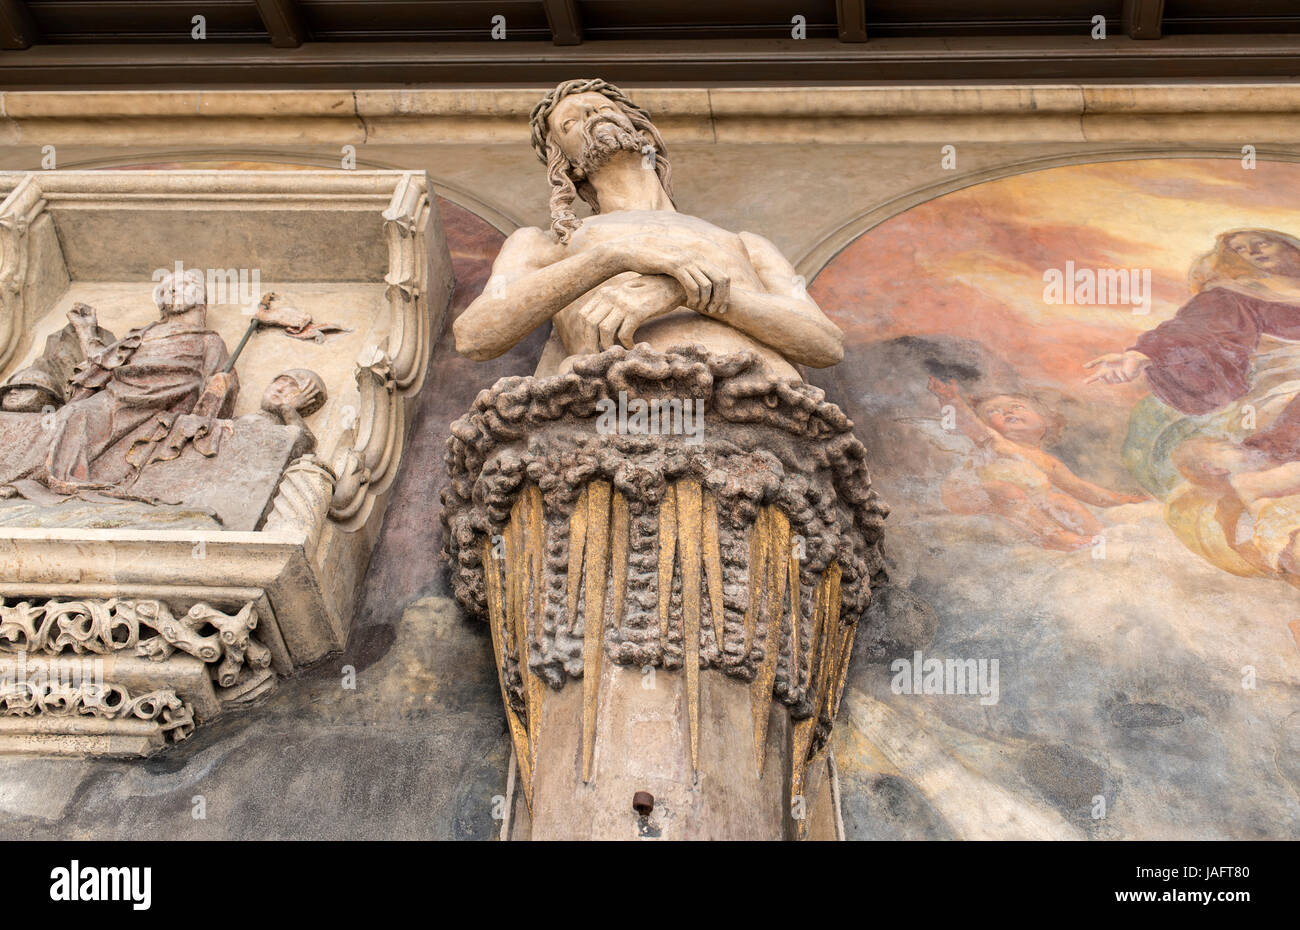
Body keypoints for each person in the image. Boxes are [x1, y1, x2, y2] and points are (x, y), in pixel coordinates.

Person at [452, 78, 844, 380]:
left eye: (602, 108)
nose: (591, 114)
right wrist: (614, 257)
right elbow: (475, 336)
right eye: (571, 122)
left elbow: (825, 344)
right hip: (617, 420)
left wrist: (682, 291)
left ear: (643, 135)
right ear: (567, 166)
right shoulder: (549, 244)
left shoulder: (743, 244)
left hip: (757, 413)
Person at [0, 269, 237, 497]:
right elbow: (102, 365)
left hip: (164, 400)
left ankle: (41, 478)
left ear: (200, 299)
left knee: (77, 415)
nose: (172, 291)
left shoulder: (208, 340)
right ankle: (22, 477)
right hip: (117, 393)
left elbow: (218, 380)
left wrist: (209, 407)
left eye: (182, 286)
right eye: (166, 289)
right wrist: (86, 330)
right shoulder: (141, 334)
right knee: (74, 413)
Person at [927, 377, 1144, 550]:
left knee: (1061, 501)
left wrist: (1122, 500)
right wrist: (951, 401)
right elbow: (968, 423)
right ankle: (1055, 538)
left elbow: (1081, 488)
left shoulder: (1048, 462)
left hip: (1017, 497)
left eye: (1016, 406)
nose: (1006, 412)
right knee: (1008, 491)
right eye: (993, 412)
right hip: (968, 493)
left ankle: (1102, 537)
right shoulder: (994, 441)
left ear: (1045, 421)